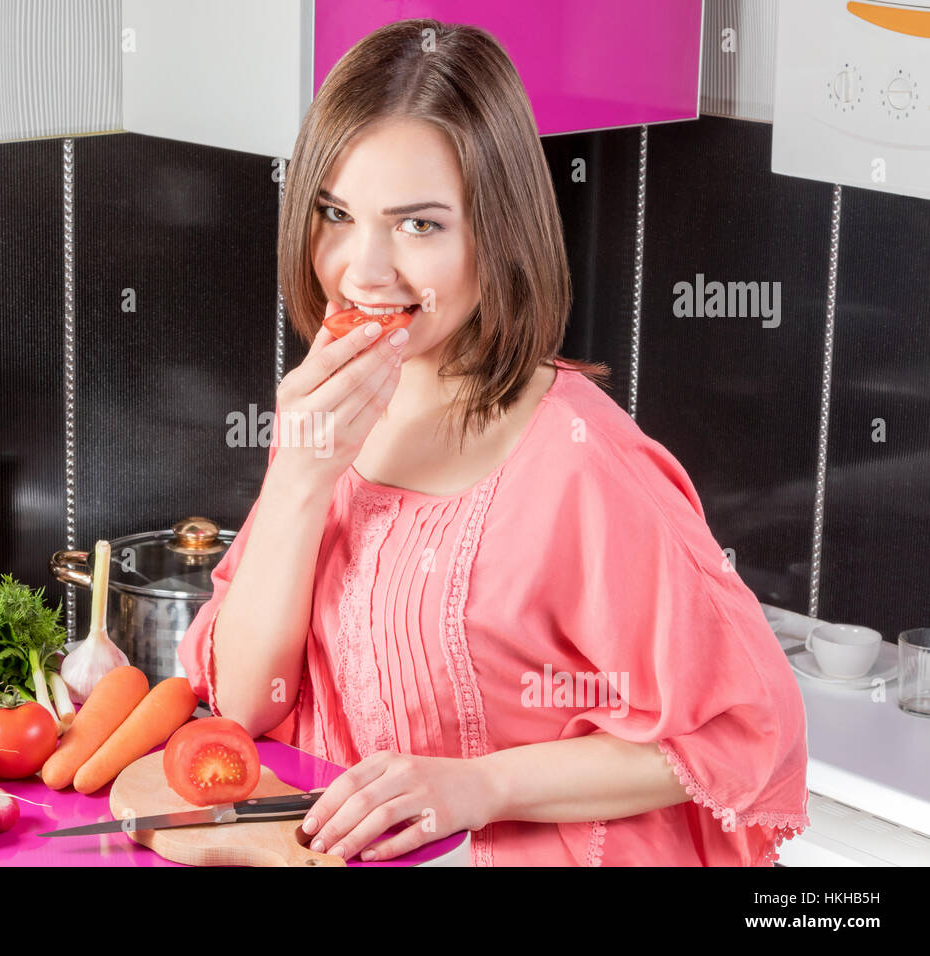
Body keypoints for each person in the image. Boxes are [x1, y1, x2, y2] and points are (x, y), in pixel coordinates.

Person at [178, 18, 809, 866]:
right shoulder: (326, 416)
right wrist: (299, 475)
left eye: (420, 226)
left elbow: (745, 725)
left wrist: (481, 785)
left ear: (497, 231)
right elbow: (246, 709)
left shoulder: (578, 459)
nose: (363, 269)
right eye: (336, 212)